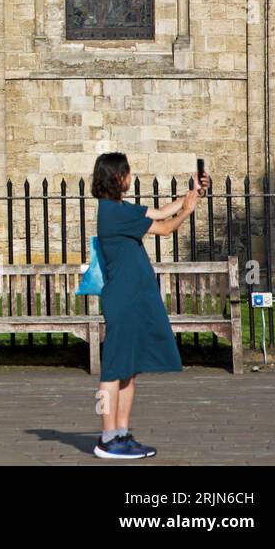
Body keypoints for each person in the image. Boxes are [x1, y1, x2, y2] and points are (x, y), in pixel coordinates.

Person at [90, 151, 209, 460]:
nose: (131, 177)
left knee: (130, 369)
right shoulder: (112, 212)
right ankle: (106, 437)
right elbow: (166, 226)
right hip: (123, 300)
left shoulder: (119, 209)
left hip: (134, 298)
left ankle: (122, 433)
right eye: (127, 173)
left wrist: (190, 196)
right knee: (114, 368)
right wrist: (188, 209)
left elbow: (158, 215)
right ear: (117, 177)